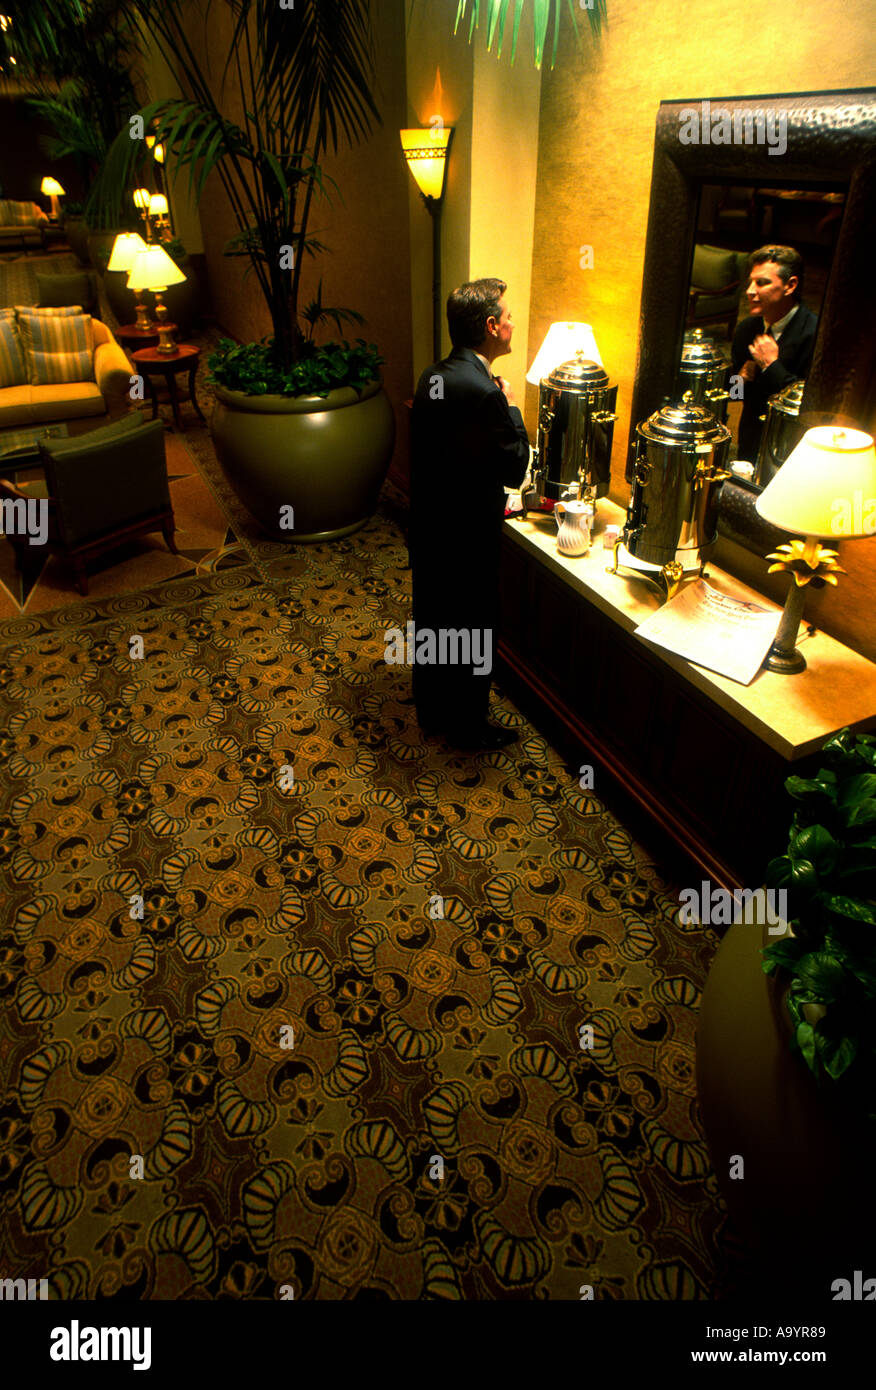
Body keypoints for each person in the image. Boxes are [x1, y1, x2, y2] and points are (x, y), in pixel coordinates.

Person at [408, 278, 530, 750]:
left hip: (431, 526)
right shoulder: (485, 391)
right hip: (468, 536)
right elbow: (515, 467)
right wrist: (514, 408)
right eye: (510, 315)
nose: (514, 323)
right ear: (491, 326)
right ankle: (470, 726)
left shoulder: (434, 374)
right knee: (474, 627)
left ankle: (434, 709)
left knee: (435, 618)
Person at [730, 244, 817, 464]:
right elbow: (735, 394)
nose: (750, 291)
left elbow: (811, 409)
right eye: (751, 281)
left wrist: (771, 366)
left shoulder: (815, 333)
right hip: (749, 439)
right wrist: (739, 379)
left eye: (762, 283)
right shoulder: (746, 329)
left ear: (790, 285)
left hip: (790, 446)